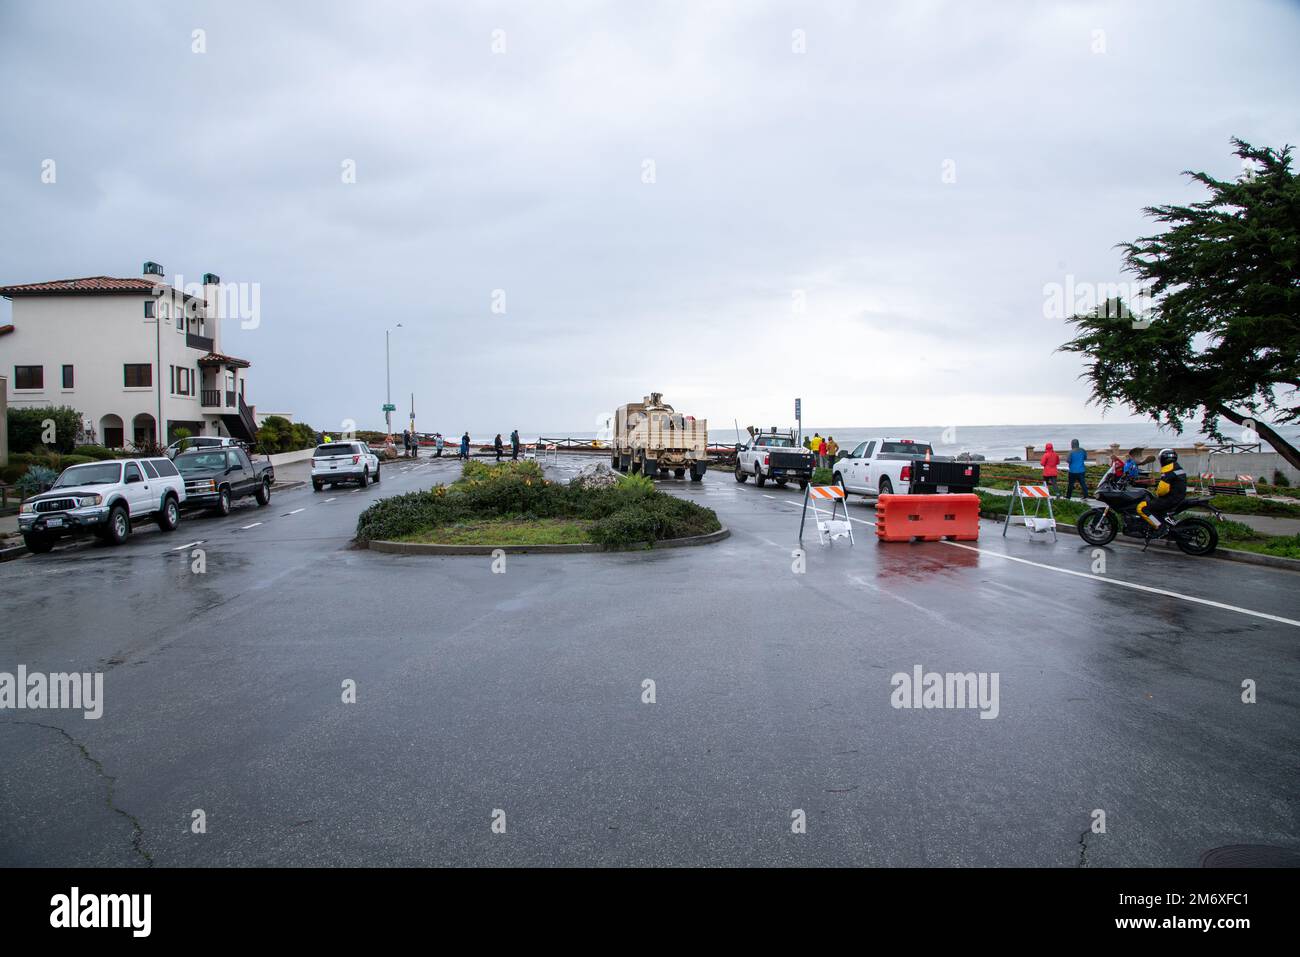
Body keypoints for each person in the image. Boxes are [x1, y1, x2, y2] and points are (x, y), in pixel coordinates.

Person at [1137, 449, 1187, 533]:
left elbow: (1162, 491)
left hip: (1170, 499)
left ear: (1163, 459)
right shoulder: (1176, 467)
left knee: (1141, 507)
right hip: (1178, 497)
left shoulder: (1168, 470)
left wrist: (1156, 492)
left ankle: (1160, 527)